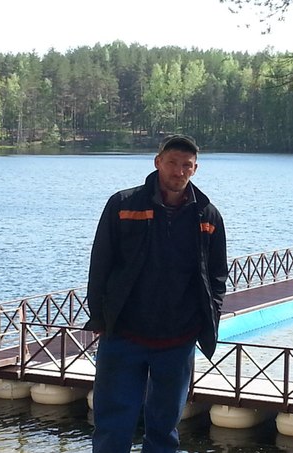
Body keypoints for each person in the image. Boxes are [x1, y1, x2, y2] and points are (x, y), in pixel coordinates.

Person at [84, 134, 228, 453]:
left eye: (186, 166)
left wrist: (207, 321)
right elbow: (101, 264)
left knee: (164, 427)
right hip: (123, 334)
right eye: (172, 163)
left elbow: (217, 276)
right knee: (113, 424)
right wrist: (99, 316)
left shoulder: (207, 215)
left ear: (195, 169)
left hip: (178, 338)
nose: (178, 171)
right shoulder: (123, 205)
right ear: (157, 162)